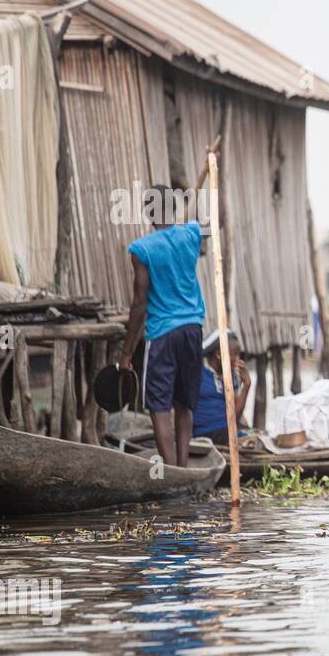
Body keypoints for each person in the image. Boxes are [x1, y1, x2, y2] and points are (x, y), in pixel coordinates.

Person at [119, 185, 205, 468]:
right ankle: (182, 467)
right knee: (184, 403)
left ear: (148, 213)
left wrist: (127, 351)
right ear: (175, 209)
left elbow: (139, 303)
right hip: (193, 329)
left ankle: (170, 473)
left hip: (163, 333)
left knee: (159, 406)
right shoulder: (191, 234)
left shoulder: (142, 249)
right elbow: (203, 230)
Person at [192, 329, 250, 443]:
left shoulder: (231, 378)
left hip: (227, 431)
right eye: (235, 354)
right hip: (205, 434)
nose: (238, 360)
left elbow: (235, 418)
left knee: (255, 435)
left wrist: (247, 386)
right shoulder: (198, 374)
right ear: (219, 354)